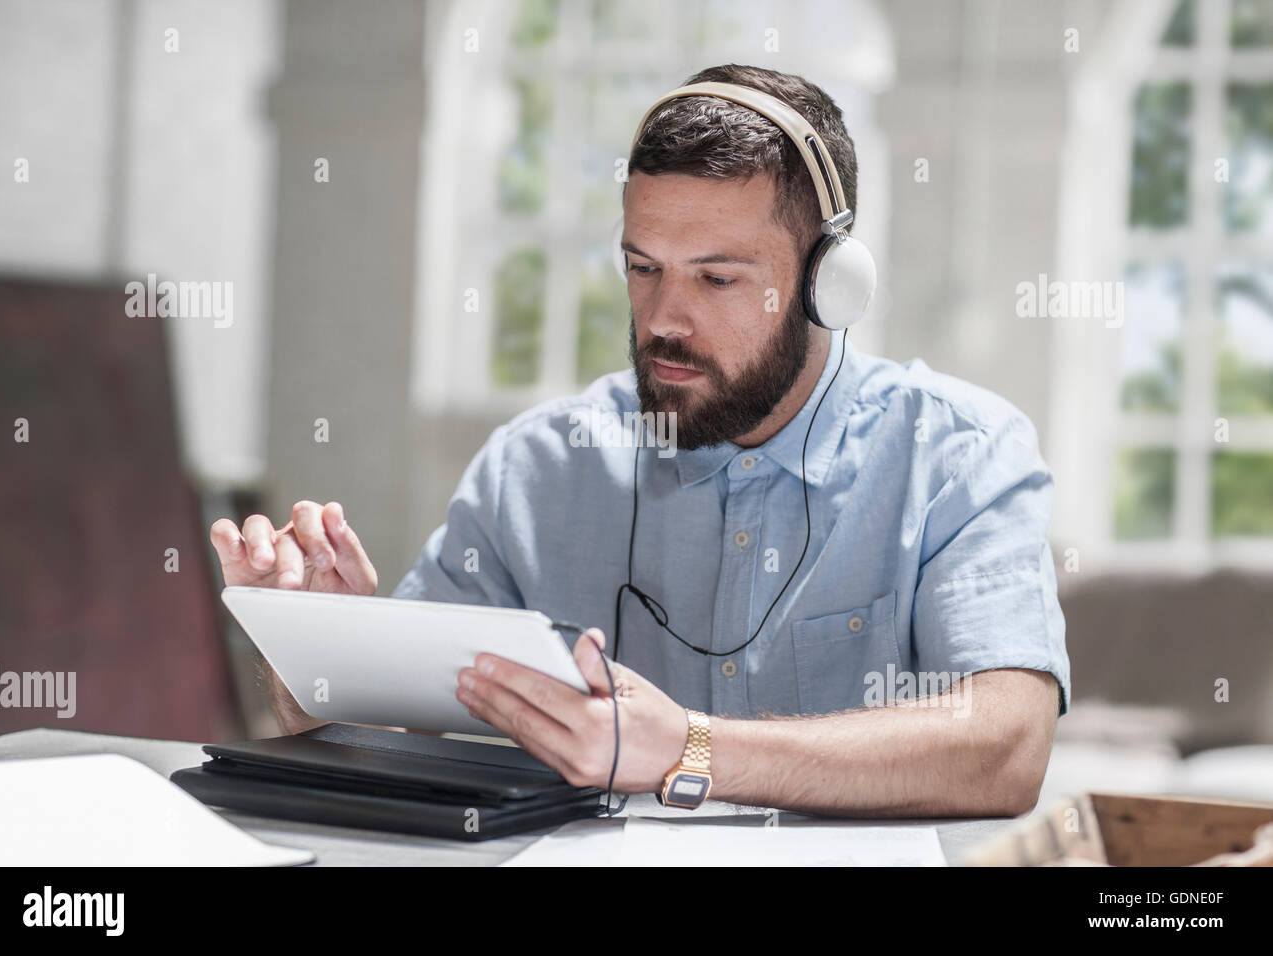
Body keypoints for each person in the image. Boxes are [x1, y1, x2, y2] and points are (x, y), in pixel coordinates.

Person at [211, 63, 1070, 818]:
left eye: (716, 277)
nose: (663, 319)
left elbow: (1005, 746)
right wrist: (322, 649)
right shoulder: (535, 470)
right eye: (642, 266)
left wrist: (688, 750)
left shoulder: (959, 455)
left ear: (825, 285)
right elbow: (380, 742)